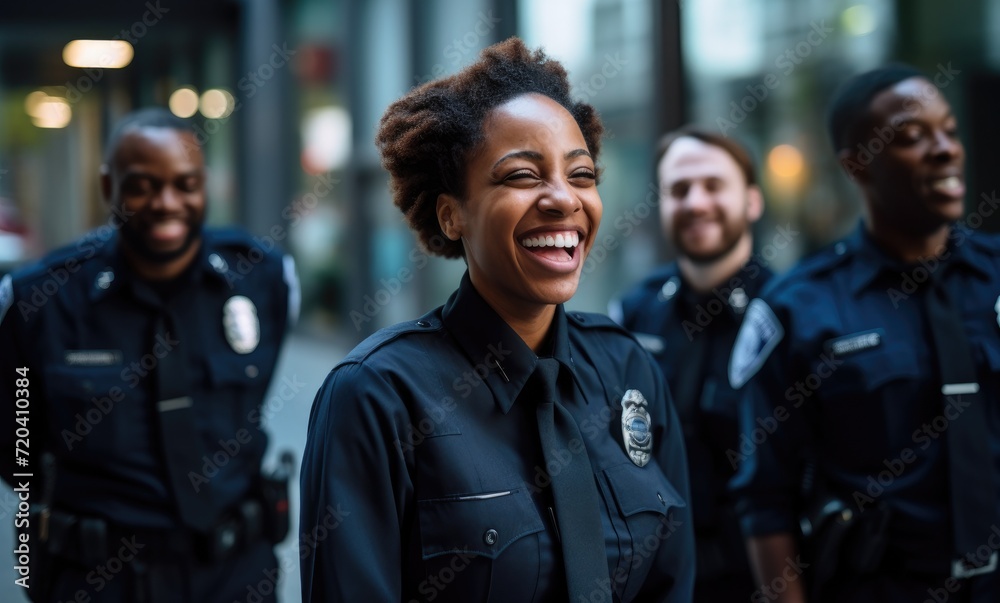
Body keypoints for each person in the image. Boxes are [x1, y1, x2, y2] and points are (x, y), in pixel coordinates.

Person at [299, 37, 694, 603]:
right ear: (451, 214)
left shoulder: (629, 367)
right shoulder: (377, 396)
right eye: (522, 176)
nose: (563, 199)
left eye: (580, 175)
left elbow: (673, 582)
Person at [0, 108, 299, 602]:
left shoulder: (265, 280)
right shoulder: (41, 302)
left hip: (235, 575)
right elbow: (17, 452)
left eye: (186, 184)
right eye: (142, 185)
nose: (167, 203)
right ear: (107, 186)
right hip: (99, 581)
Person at [729, 63, 1000, 602]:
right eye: (911, 138)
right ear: (858, 165)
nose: (945, 149)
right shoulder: (799, 309)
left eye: (948, 130)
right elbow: (765, 500)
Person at [611, 127, 769, 601]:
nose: (696, 202)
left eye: (714, 185)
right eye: (679, 190)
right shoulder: (633, 312)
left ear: (753, 201)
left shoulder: (792, 312)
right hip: (658, 580)